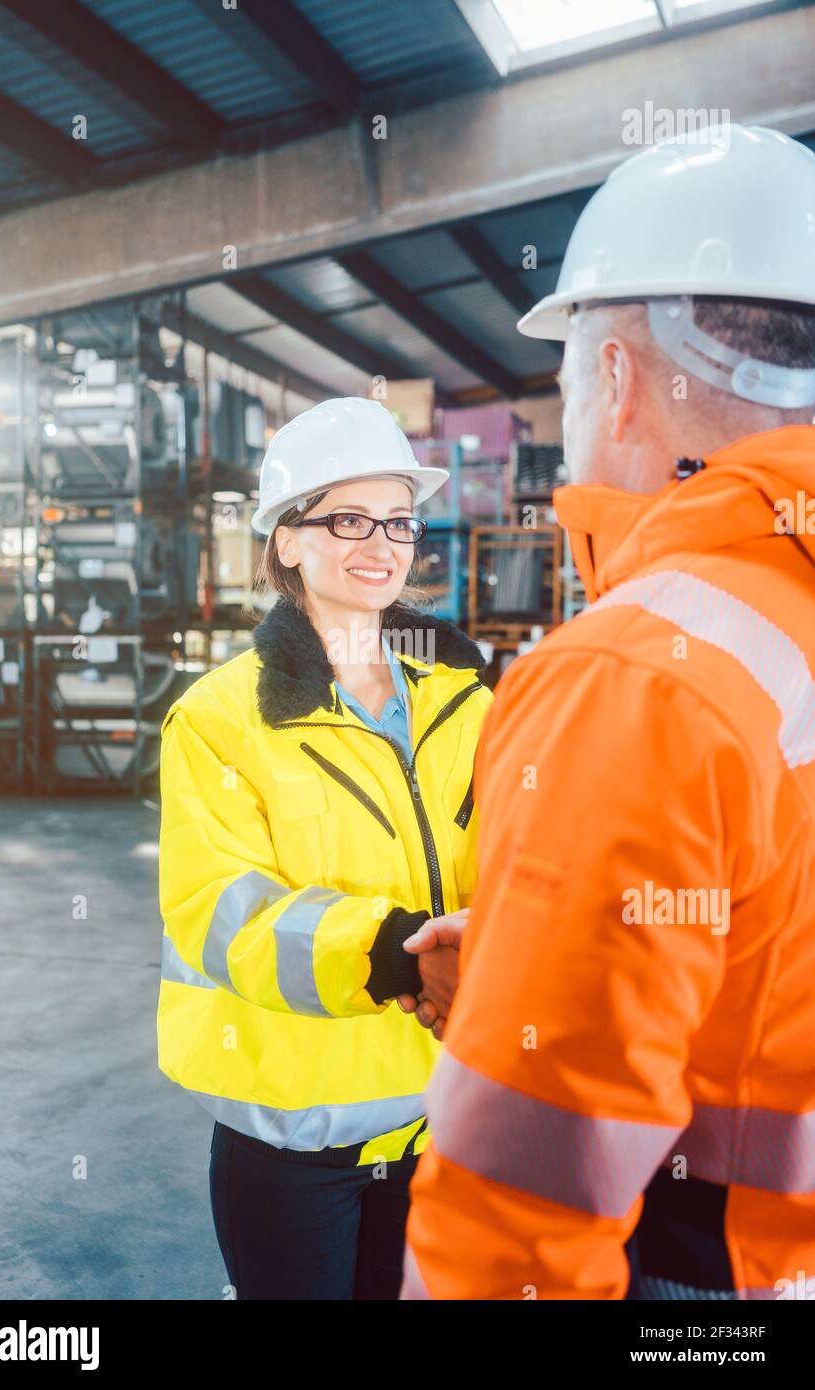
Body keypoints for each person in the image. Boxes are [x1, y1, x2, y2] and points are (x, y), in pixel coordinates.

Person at [402, 125, 815, 1300]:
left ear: (623, 384)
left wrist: (561, 972)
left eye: (571, 381)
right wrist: (559, 944)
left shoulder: (636, 676)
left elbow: (520, 1222)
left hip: (706, 1268)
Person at [156, 396, 492, 1299]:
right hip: (296, 1136)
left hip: (444, 1120)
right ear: (287, 541)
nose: (380, 543)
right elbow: (221, 911)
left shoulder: (466, 699)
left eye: (396, 520)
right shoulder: (220, 719)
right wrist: (400, 957)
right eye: (347, 518)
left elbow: (525, 861)